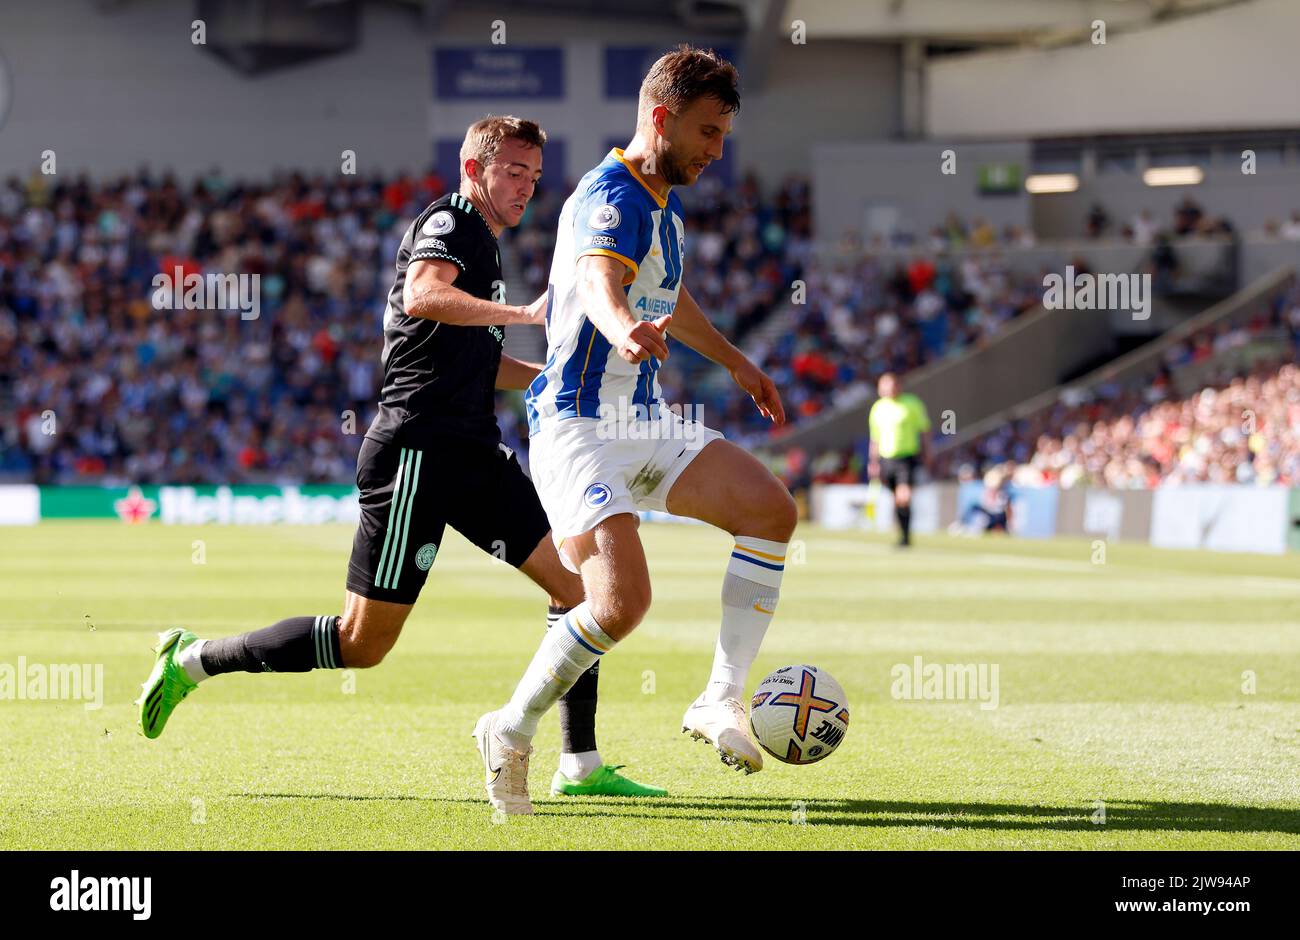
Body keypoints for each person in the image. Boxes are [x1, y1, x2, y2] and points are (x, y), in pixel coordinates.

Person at [136, 115, 664, 800]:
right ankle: (194, 659)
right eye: (512, 172)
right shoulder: (449, 221)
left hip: (473, 451)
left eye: (533, 176)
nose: (525, 187)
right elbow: (424, 294)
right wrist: (526, 316)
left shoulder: (487, 246)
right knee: (364, 644)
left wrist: (552, 373)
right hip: (415, 452)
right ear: (474, 169)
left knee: (577, 591)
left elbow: (477, 361)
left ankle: (580, 766)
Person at [471, 45, 799, 815]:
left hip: (643, 418)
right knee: (620, 604)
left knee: (771, 511)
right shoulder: (610, 195)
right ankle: (509, 730)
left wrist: (739, 363)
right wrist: (619, 327)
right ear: (662, 118)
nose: (718, 151)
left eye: (722, 134)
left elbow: (670, 299)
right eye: (709, 133)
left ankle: (720, 700)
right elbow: (598, 277)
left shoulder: (661, 204)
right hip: (578, 425)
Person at [867, 372, 930, 548]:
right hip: (887, 459)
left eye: (891, 385)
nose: (888, 389)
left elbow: (924, 429)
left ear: (898, 386)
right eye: (884, 386)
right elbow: (875, 438)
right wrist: (873, 462)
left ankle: (906, 536)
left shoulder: (912, 404)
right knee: (896, 499)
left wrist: (927, 451)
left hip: (907, 456)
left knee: (904, 496)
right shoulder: (878, 408)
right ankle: (903, 535)